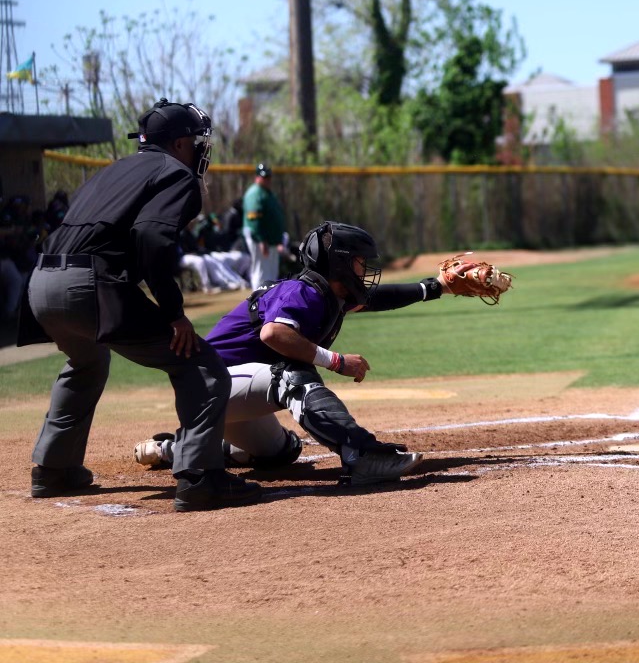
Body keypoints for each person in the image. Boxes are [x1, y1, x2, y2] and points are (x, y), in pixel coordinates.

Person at [19, 99, 260, 511]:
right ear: (181, 143)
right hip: (85, 286)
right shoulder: (176, 174)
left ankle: (53, 469)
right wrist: (174, 314)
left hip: (41, 283)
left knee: (86, 363)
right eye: (198, 142)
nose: (201, 150)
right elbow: (151, 239)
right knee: (200, 366)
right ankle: (200, 477)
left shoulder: (112, 171)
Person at [133, 221, 468, 487]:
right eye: (359, 262)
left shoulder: (325, 294)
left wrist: (435, 286)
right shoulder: (303, 292)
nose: (364, 269)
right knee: (292, 373)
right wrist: (337, 361)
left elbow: (378, 298)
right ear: (338, 263)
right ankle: (362, 456)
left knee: (280, 453)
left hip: (224, 394)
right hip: (209, 386)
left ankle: (175, 448)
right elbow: (273, 333)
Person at [242, 162, 286, 289]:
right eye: (264, 176)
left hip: (270, 240)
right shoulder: (255, 193)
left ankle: (268, 301)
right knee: (261, 271)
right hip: (261, 239)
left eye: (268, 177)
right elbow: (253, 219)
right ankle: (257, 301)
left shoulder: (266, 192)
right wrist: (261, 240)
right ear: (257, 177)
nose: (267, 179)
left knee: (271, 273)